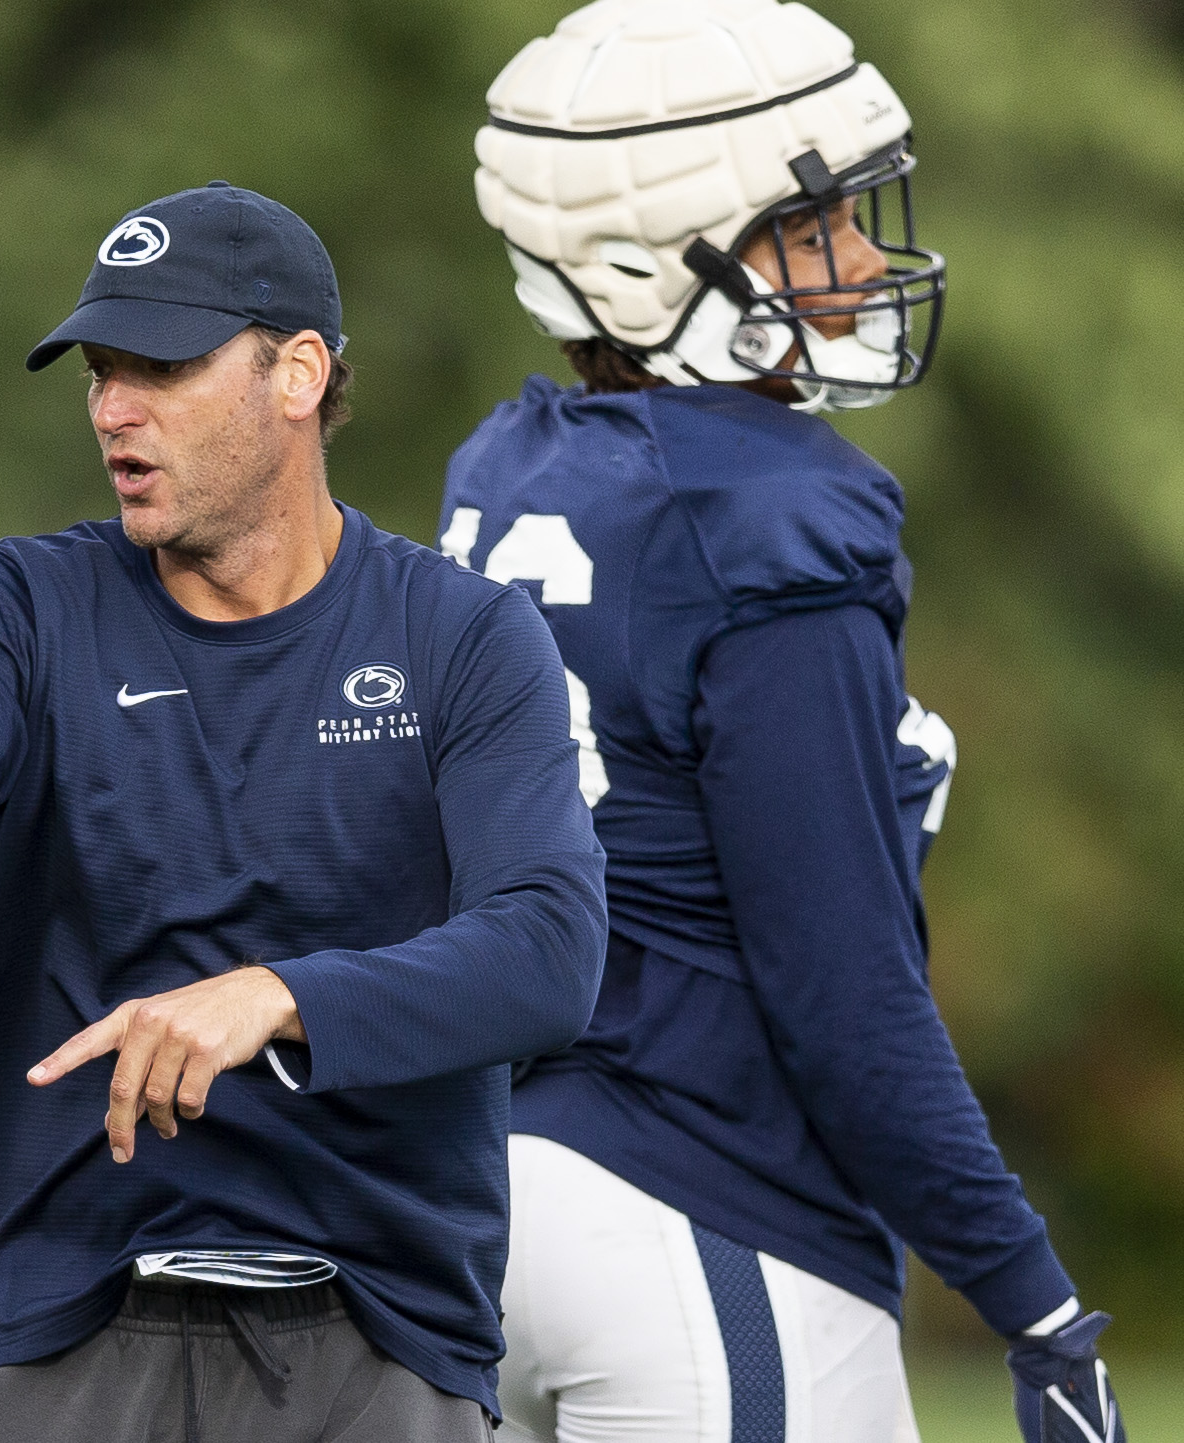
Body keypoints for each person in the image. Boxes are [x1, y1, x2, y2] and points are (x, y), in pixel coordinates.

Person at [450, 3, 1123, 1440]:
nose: (865, 258)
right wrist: (1033, 1296)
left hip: (475, 1196)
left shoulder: (510, 466)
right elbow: (844, 994)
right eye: (812, 226)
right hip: (704, 1209)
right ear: (643, 267)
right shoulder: (769, 517)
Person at [0, 181, 609, 1442]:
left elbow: (547, 954)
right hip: (51, 1316)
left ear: (298, 374)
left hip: (377, 1329)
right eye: (100, 371)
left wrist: (282, 997)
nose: (112, 410)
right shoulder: (12, 603)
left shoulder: (465, 636)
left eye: (159, 365)